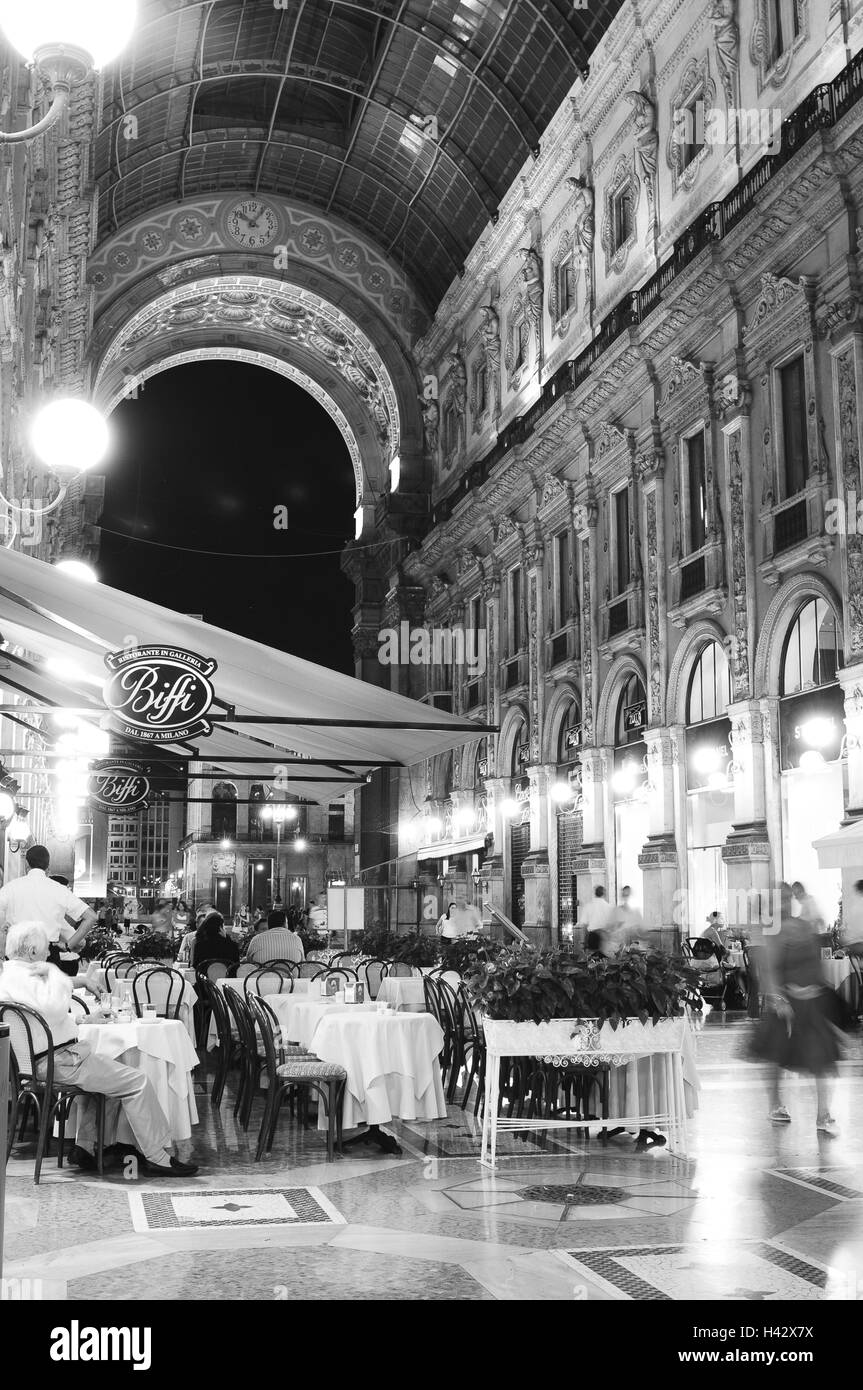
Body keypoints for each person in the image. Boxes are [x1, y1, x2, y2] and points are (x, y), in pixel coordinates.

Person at [0, 923, 198, 1176]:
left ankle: (86, 1147)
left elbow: (39, 1021)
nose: (49, 955)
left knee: (113, 1076)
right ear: (30, 952)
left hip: (40, 1061)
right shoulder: (29, 976)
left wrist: (81, 1020)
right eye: (45, 951)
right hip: (58, 1061)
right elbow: (54, 1007)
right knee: (137, 1081)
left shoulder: (9, 975)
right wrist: (55, 973)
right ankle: (158, 1156)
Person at [750, 883, 840, 1135]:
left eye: (788, 898)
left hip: (811, 1002)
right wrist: (778, 999)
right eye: (780, 899)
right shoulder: (773, 931)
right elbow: (768, 969)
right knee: (777, 1055)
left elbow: (817, 963)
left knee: (821, 1058)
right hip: (786, 1004)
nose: (785, 904)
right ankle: (776, 1103)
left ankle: (824, 1114)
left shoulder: (803, 925)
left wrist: (821, 991)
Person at [0, 845, 96, 967]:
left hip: (17, 952)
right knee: (48, 985)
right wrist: (69, 945)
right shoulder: (59, 890)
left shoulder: (10, 887)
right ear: (47, 866)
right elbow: (91, 917)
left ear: (26, 864)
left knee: (18, 985)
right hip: (48, 952)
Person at [579, 885, 613, 953]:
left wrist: (583, 942)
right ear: (604, 894)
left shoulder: (588, 905)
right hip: (604, 936)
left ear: (595, 893)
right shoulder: (609, 907)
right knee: (604, 960)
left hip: (593, 936)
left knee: (593, 959)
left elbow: (584, 925)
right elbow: (611, 925)